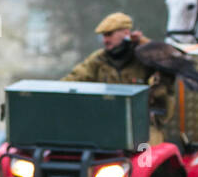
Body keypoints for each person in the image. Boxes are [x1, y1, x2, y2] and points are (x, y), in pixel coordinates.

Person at [64, 12, 177, 146]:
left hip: (144, 125)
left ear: (126, 33)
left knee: (145, 158)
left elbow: (173, 61)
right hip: (106, 124)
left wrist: (145, 43)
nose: (105, 40)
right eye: (103, 36)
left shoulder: (145, 57)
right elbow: (72, 79)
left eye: (109, 35)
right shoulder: (99, 59)